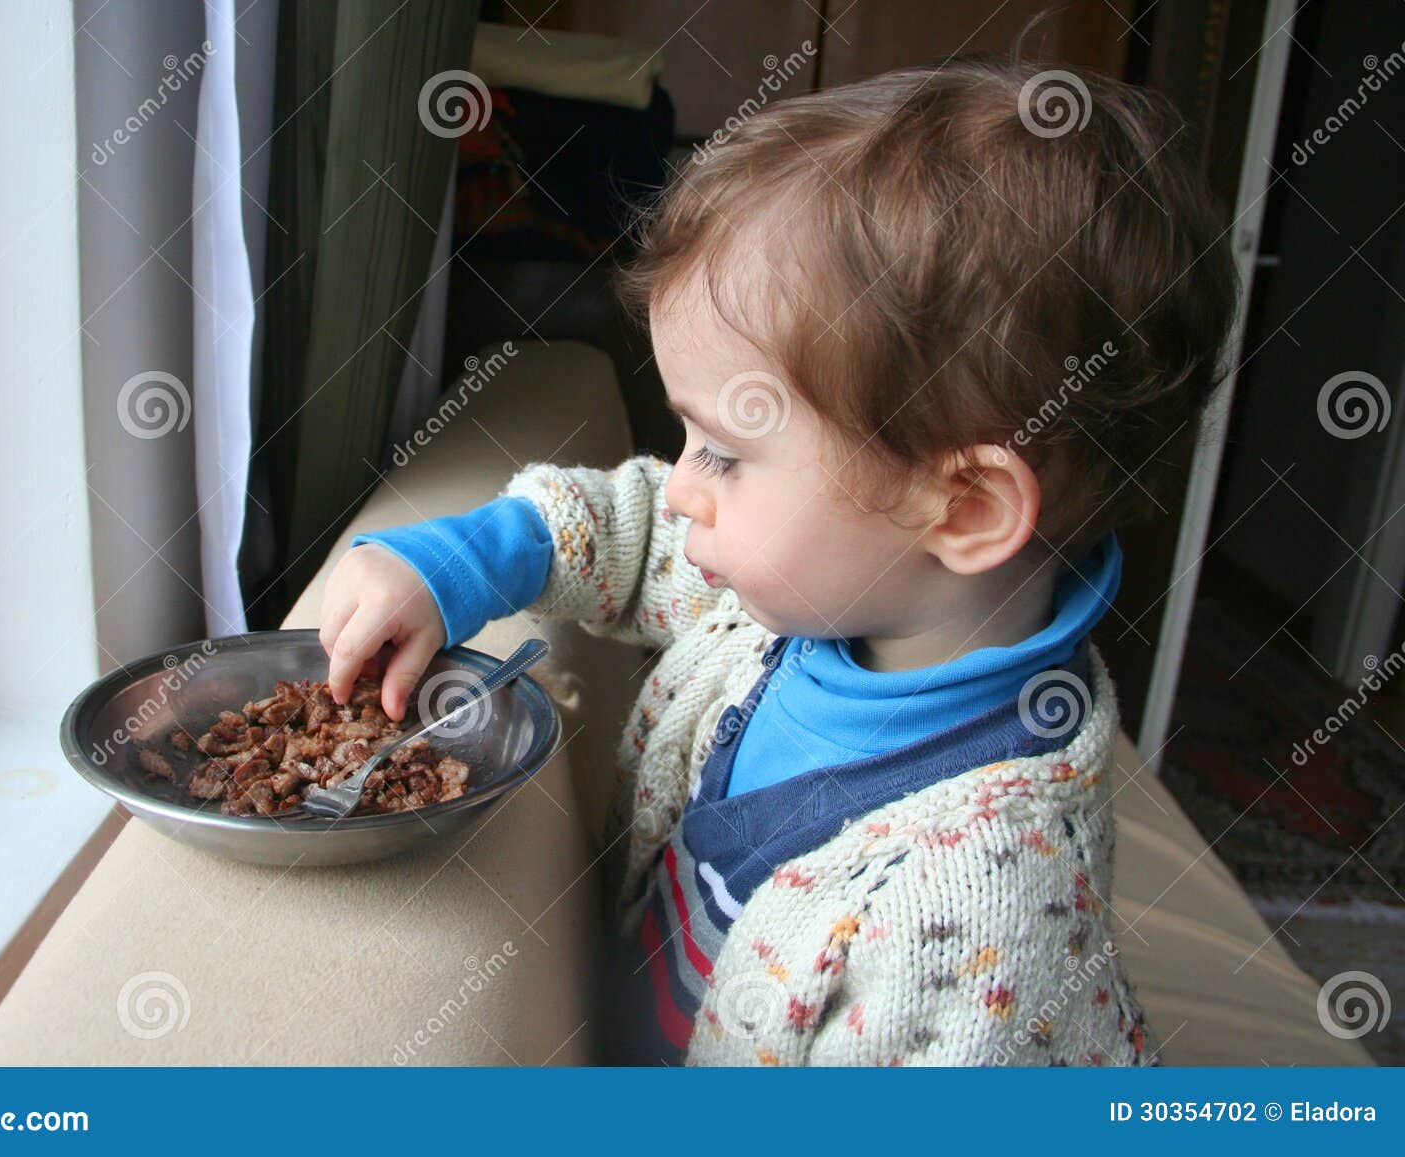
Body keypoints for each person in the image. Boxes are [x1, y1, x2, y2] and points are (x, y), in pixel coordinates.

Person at [316, 54, 1238, 1065]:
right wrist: (466, 557)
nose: (679, 485)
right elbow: (634, 538)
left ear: (964, 506)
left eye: (725, 449)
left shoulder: (973, 925)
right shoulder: (821, 588)